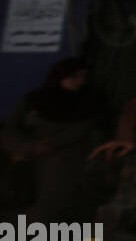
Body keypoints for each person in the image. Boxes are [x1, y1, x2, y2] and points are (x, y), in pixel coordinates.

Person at [3, 58, 106, 223]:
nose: (80, 81)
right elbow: (10, 130)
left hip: (71, 166)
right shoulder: (37, 99)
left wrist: (54, 144)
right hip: (35, 163)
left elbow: (89, 130)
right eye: (74, 77)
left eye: (83, 77)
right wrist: (30, 146)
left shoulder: (90, 101)